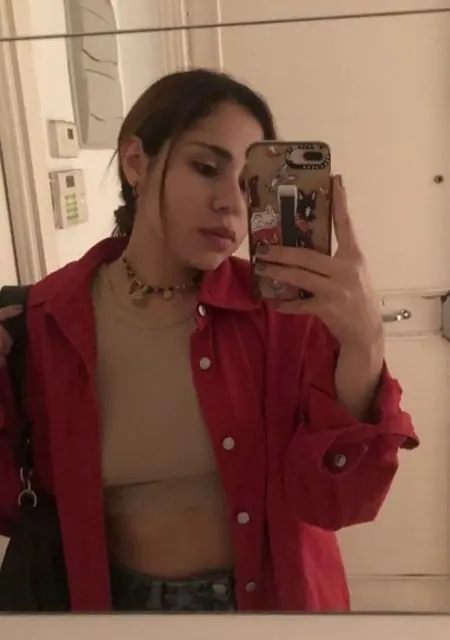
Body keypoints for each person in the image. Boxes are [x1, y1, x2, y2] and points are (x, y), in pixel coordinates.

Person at [0, 68, 418, 613]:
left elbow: (339, 504)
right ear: (135, 162)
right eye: (206, 168)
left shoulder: (286, 317)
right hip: (111, 610)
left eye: (249, 186)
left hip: (270, 607)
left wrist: (364, 347)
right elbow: (13, 506)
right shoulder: (46, 321)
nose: (232, 205)